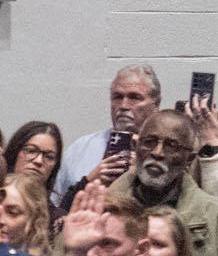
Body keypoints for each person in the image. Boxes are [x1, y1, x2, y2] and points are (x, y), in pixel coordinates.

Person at [106, 108, 218, 256]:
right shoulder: (103, 208)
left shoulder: (217, 215)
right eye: (149, 142)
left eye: (171, 146)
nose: (157, 153)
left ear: (189, 158)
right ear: (136, 147)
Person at [58, 65, 163, 210]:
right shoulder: (80, 149)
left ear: (156, 104)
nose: (123, 105)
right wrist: (90, 182)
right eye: (117, 97)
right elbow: (56, 210)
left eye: (134, 97)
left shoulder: (163, 153)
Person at [5, 120, 66, 203]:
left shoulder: (53, 211)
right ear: (14, 153)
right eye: (31, 151)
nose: (38, 161)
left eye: (49, 157)